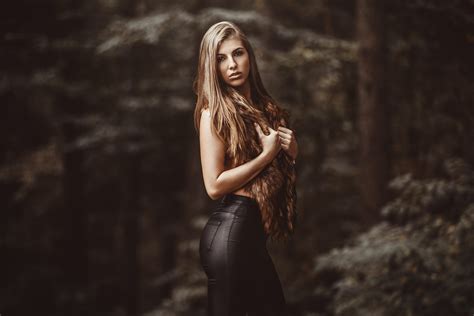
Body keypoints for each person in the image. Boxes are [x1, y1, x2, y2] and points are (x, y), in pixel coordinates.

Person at [193, 21, 299, 316]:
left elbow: (275, 173)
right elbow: (214, 186)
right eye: (221, 58)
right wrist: (267, 155)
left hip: (250, 238)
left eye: (237, 53)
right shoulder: (213, 113)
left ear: (249, 55)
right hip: (231, 233)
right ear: (211, 67)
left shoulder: (267, 110)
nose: (232, 65)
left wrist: (291, 152)